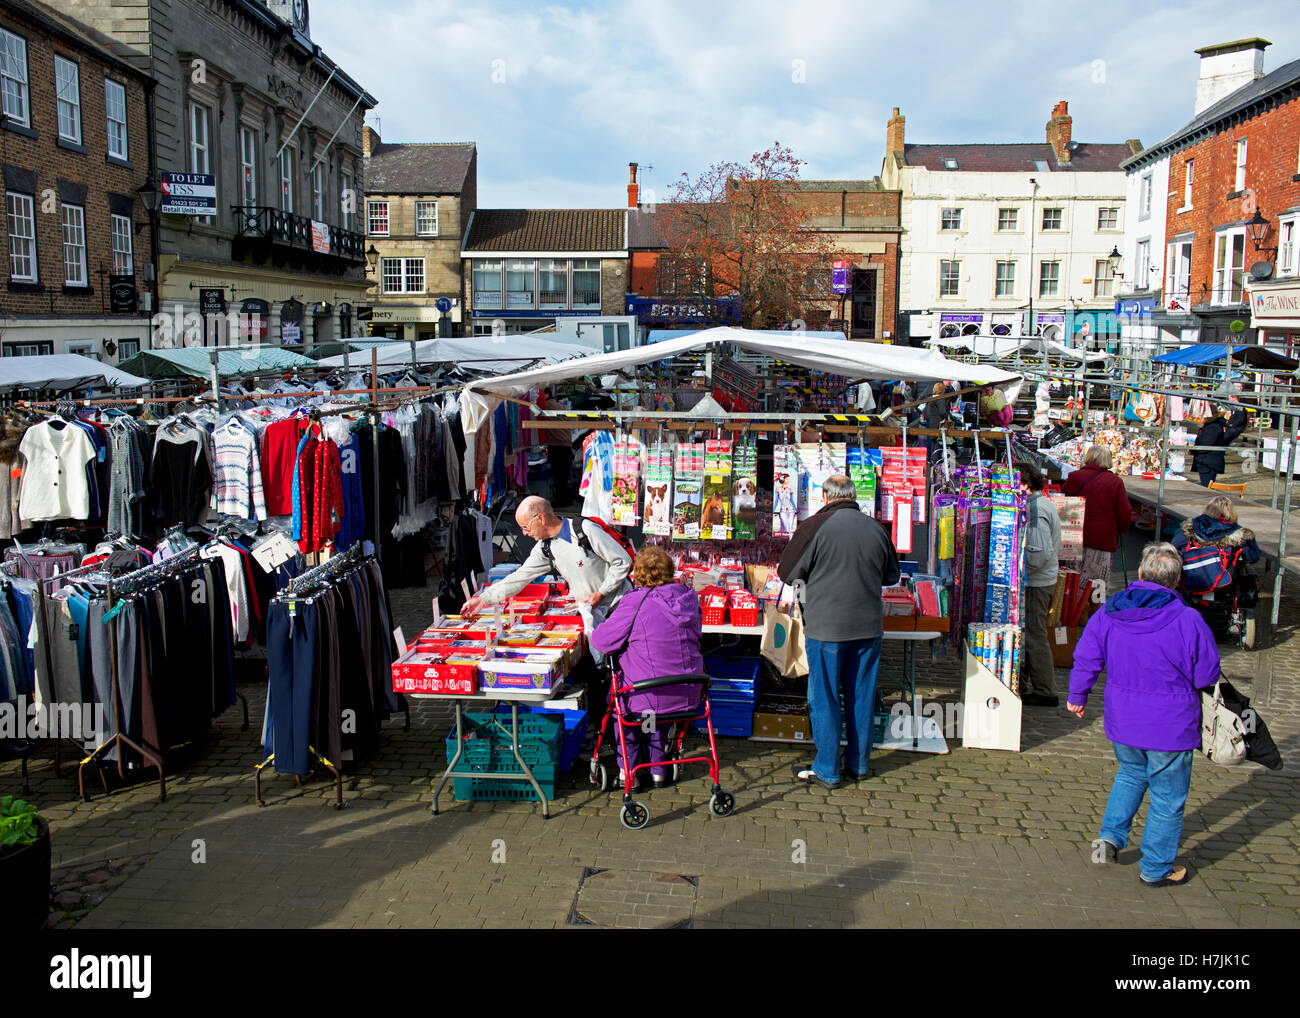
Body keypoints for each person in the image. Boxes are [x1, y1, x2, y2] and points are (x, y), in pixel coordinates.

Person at [1067, 543, 1221, 887]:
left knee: (1131, 774)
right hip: (1172, 725)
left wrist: (1077, 695)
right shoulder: (1188, 620)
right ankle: (1155, 868)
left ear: (1139, 575)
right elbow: (1206, 675)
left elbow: (1086, 656)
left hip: (1124, 720)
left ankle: (1109, 839)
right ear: (1177, 581)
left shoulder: (1109, 611)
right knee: (1167, 798)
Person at [778, 473, 900, 789]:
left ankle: (828, 769)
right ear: (852, 496)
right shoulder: (877, 528)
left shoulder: (813, 527)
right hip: (868, 628)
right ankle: (859, 765)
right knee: (861, 696)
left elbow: (787, 573)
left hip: (827, 628)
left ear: (826, 497)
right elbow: (891, 576)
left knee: (826, 697)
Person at [590, 546, 704, 788]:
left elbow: (602, 641)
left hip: (645, 694)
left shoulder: (635, 602)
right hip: (687, 691)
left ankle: (627, 773)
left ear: (638, 574)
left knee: (625, 708)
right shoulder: (689, 598)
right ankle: (657, 770)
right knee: (654, 712)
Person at [461, 496, 631, 631]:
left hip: (619, 607)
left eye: (525, 527)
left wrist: (601, 593)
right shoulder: (545, 547)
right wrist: (482, 600)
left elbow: (622, 561)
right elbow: (519, 578)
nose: (524, 533)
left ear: (540, 518)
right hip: (593, 614)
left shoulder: (584, 530)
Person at [1017, 461, 1062, 706]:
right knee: (1029, 634)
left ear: (1024, 485)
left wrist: (1019, 569)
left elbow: (1038, 552)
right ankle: (1026, 683)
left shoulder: (1035, 509)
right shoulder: (1038, 505)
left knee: (1034, 635)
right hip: (1037, 579)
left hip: (1036, 582)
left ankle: (1046, 690)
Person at [1061, 445, 1133, 595]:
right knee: (1096, 584)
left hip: (1073, 536)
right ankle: (1093, 614)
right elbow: (1125, 512)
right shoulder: (1114, 481)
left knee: (1071, 579)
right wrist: (1121, 530)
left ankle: (1068, 612)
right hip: (1101, 540)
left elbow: (1064, 502)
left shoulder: (1075, 476)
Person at [1171, 494, 1262, 572]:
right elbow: (1253, 558)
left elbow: (1173, 547)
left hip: (1190, 574)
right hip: (1225, 580)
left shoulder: (1191, 527)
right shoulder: (1241, 534)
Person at [1191, 403, 1247, 487]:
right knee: (1207, 485)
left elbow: (1206, 446)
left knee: (1206, 488)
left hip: (1208, 463)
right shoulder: (1213, 426)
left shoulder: (1212, 427)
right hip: (1207, 462)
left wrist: (1192, 450)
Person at [538, 389, 575, 508]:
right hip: (565, 444)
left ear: (547, 394)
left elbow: (535, 413)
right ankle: (564, 499)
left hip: (557, 445)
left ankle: (562, 501)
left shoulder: (547, 405)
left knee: (558, 475)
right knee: (563, 476)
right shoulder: (559, 405)